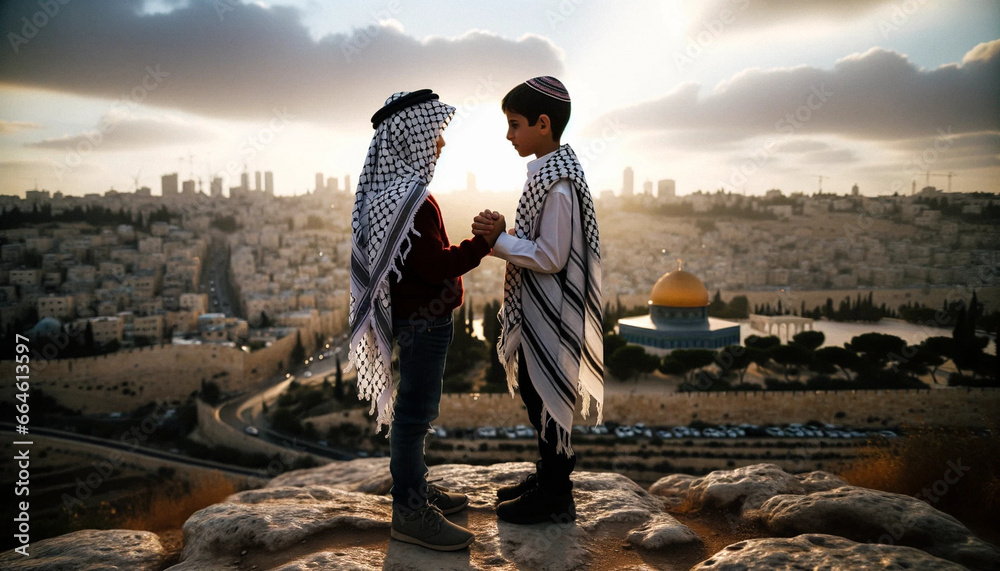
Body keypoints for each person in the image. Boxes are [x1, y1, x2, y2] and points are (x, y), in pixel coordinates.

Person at [350, 89, 505, 550]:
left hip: (411, 318)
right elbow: (435, 266)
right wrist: (484, 243)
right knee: (415, 415)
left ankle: (416, 488)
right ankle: (411, 512)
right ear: (409, 138)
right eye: (434, 133)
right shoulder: (412, 200)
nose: (440, 143)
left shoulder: (385, 195)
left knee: (416, 413)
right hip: (425, 323)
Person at [472, 76, 604, 525]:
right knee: (535, 395)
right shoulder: (548, 174)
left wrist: (499, 240)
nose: (509, 135)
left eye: (515, 124)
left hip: (552, 312)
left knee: (544, 397)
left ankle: (555, 494)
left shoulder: (558, 185)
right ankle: (548, 476)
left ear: (542, 124)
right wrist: (506, 234)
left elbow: (550, 256)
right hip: (540, 310)